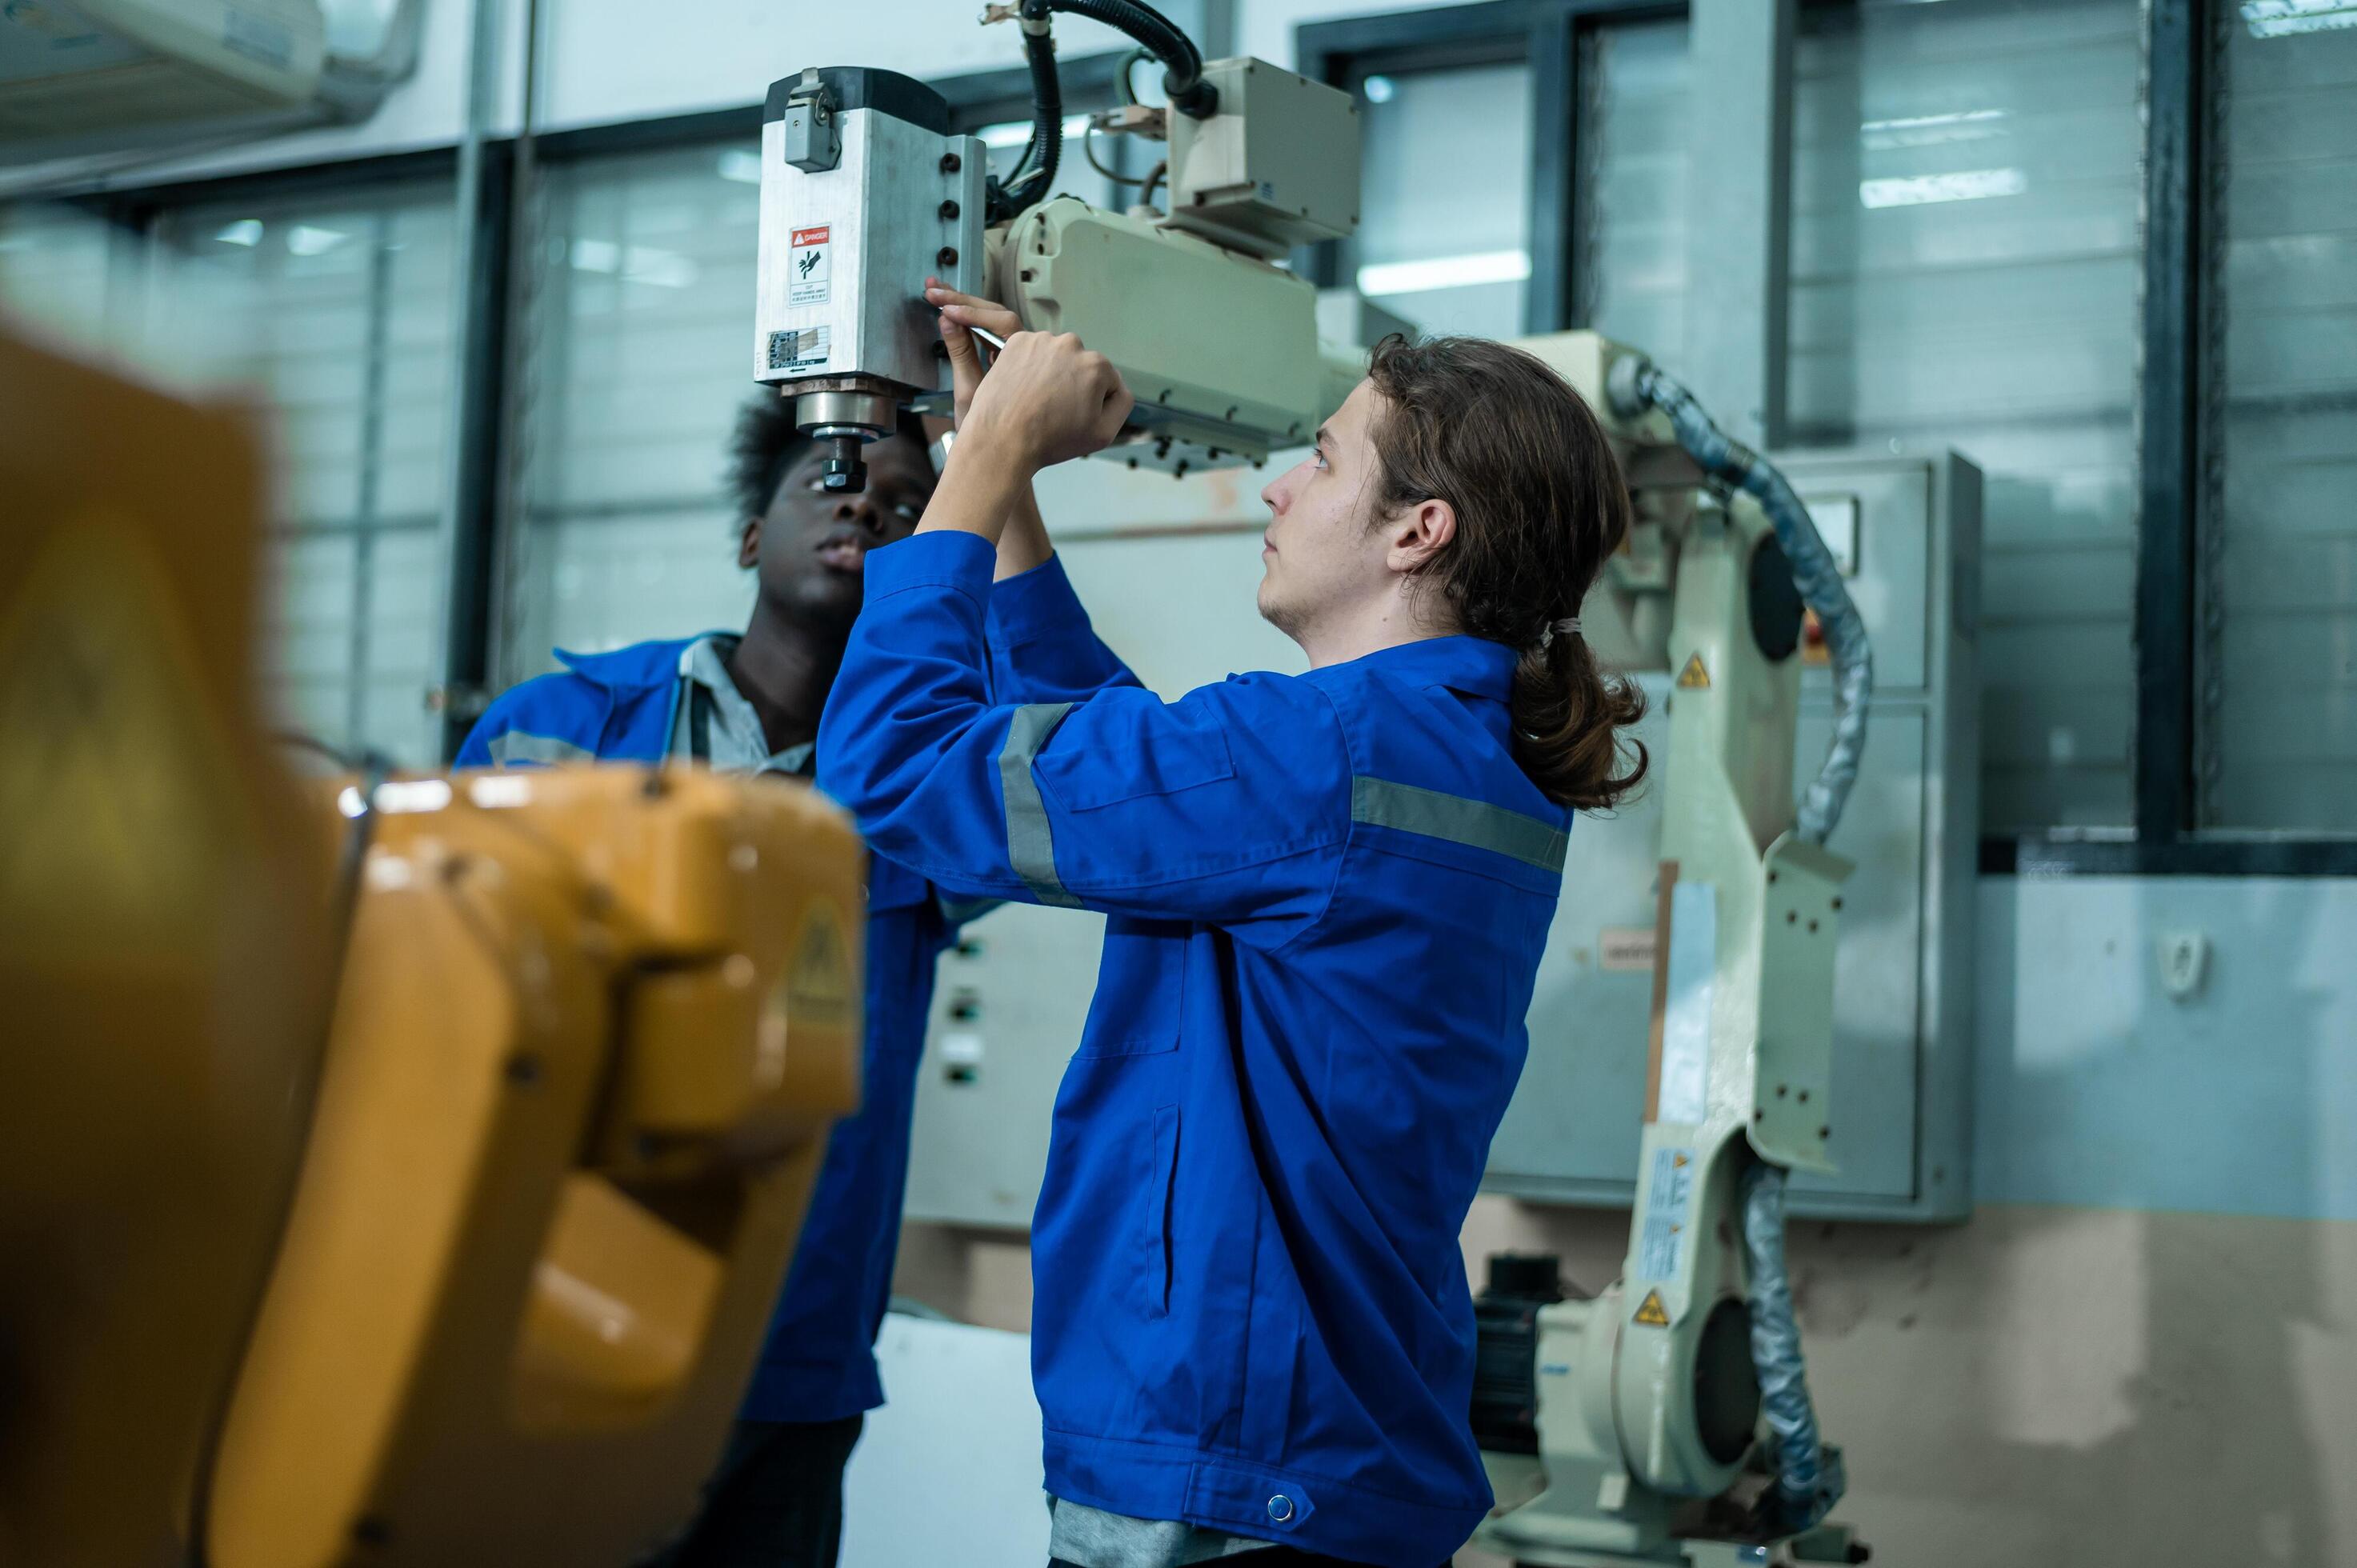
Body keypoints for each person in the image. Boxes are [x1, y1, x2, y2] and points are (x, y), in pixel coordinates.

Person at [816, 287, 1649, 1568]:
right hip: (1318, 1447)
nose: (1277, 492)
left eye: (1320, 462)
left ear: (1419, 532)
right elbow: (1130, 767)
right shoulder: (1439, 748)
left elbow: (893, 766)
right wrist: (1003, 477)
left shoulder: (1324, 753)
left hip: (1230, 1467)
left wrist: (979, 466)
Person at [457, 396, 1103, 1567]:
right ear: (749, 536)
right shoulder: (553, 732)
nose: (864, 499)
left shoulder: (927, 799)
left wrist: (998, 462)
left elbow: (1076, 764)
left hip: (792, 1365)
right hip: (552, 1328)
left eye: (910, 503)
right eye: (827, 478)